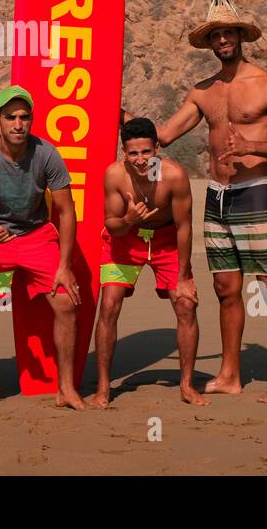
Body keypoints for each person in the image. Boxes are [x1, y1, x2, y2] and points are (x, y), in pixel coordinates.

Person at [158, 0, 267, 404]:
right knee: (226, 288)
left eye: (229, 34)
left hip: (257, 193)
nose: (223, 41)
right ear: (209, 44)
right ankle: (229, 373)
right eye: (216, 37)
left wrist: (253, 150)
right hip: (217, 198)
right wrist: (114, 113)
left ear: (241, 37)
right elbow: (163, 135)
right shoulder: (203, 91)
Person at [0, 86, 85, 413]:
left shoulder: (47, 154)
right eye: (10, 116)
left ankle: (65, 388)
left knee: (66, 302)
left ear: (32, 120)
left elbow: (67, 212)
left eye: (24, 117)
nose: (18, 123)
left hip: (36, 235)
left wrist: (65, 265)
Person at [88, 118, 206, 407]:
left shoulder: (175, 175)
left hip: (166, 241)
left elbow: (184, 227)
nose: (140, 160)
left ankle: (187, 385)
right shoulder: (115, 175)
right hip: (125, 241)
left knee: (186, 304)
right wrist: (129, 220)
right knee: (109, 304)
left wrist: (182, 277)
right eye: (133, 154)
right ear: (123, 153)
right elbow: (111, 225)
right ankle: (103, 387)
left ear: (157, 148)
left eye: (146, 152)